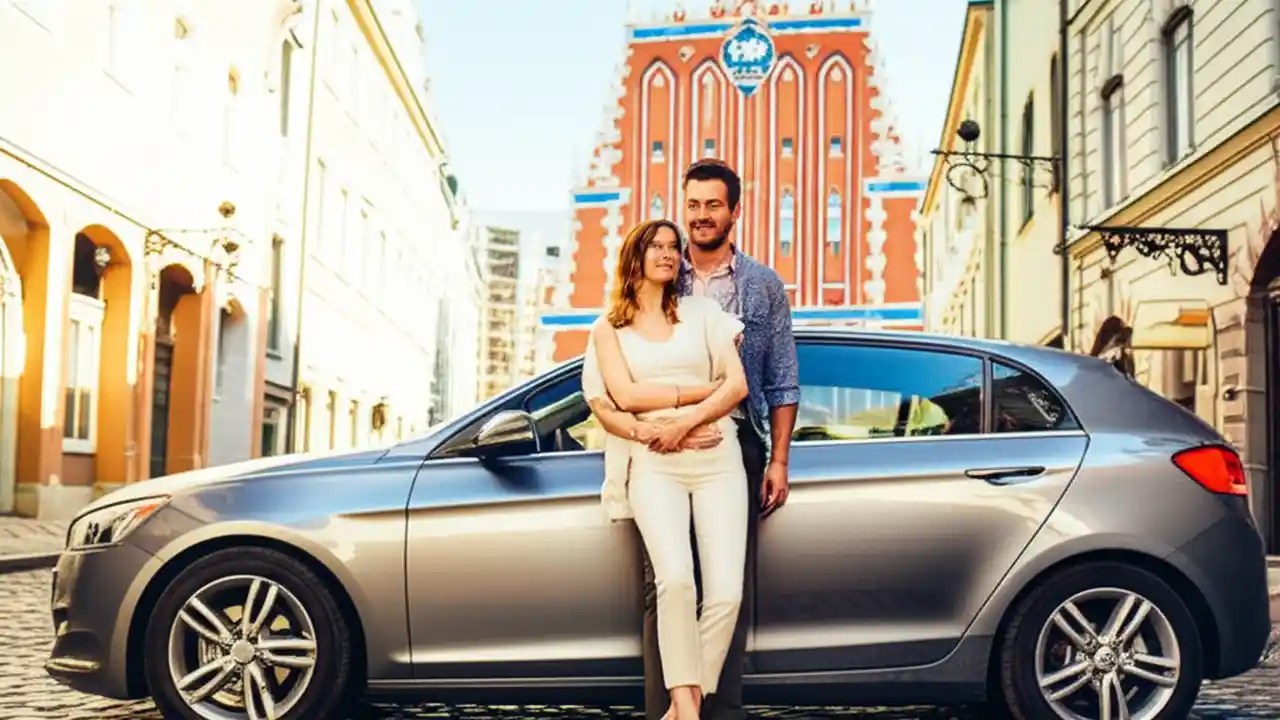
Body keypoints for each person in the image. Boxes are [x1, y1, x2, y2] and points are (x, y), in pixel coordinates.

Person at [592, 158, 801, 720]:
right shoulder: (664, 274)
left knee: (729, 590)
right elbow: (615, 392)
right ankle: (670, 706)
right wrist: (662, 424)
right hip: (657, 449)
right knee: (668, 587)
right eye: (693, 205)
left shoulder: (762, 285)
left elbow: (780, 380)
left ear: (734, 210)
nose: (701, 216)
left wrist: (778, 459)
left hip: (736, 442)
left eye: (713, 205)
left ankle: (712, 706)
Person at [582, 218, 753, 720]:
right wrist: (697, 399)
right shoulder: (607, 329)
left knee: (726, 592)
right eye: (655, 245)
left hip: (717, 457)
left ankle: (682, 709)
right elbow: (623, 399)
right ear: (634, 254)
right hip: (653, 461)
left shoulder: (704, 313)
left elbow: (737, 384)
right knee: (675, 580)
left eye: (672, 247)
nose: (666, 252)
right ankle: (686, 706)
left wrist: (685, 422)